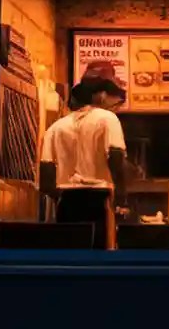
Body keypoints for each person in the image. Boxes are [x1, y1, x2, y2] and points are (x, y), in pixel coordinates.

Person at [39, 75, 130, 247]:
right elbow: (116, 156)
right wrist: (122, 197)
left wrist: (59, 195)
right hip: (98, 197)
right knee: (99, 254)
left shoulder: (55, 128)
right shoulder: (108, 119)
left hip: (66, 200)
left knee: (69, 254)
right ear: (100, 97)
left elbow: (46, 174)